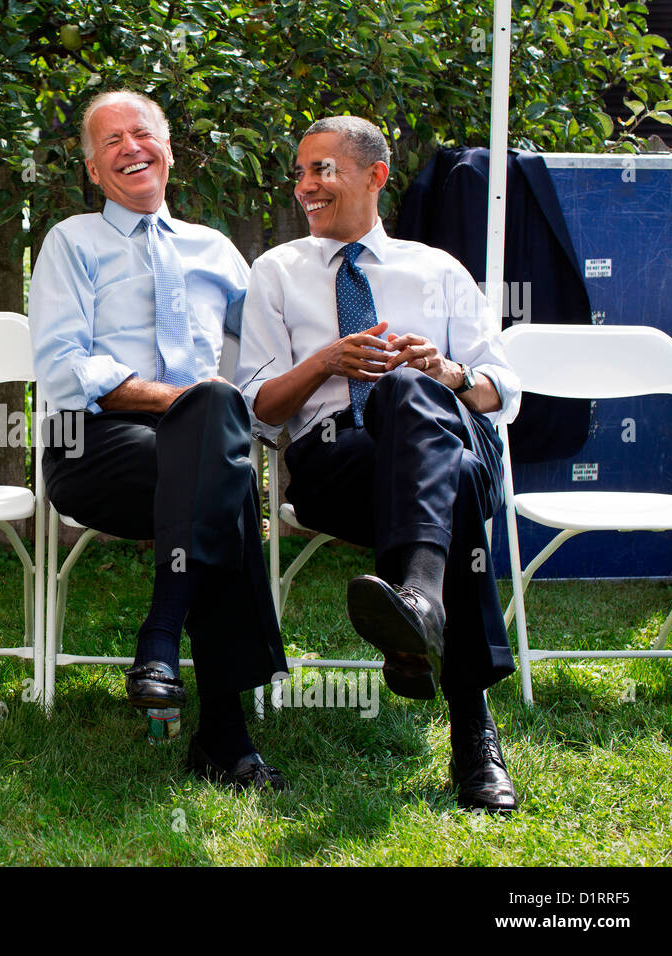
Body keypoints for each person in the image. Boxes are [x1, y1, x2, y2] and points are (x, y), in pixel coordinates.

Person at [236, 116, 521, 812]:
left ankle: (418, 610)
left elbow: (501, 390)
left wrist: (446, 373)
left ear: (375, 176)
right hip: (340, 463)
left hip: (453, 434)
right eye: (300, 171)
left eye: (322, 169)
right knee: (443, 480)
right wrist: (327, 361)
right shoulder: (276, 273)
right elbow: (257, 407)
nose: (305, 185)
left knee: (409, 391)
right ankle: (472, 730)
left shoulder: (438, 269)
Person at [29, 89, 288, 792]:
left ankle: (163, 649)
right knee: (219, 462)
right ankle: (223, 731)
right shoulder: (71, 244)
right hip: (96, 446)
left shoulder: (217, 251)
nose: (130, 148)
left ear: (169, 150)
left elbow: (270, 348)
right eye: (109, 142)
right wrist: (191, 404)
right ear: (92, 170)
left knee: (214, 462)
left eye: (141, 134)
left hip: (195, 454)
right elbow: (62, 367)